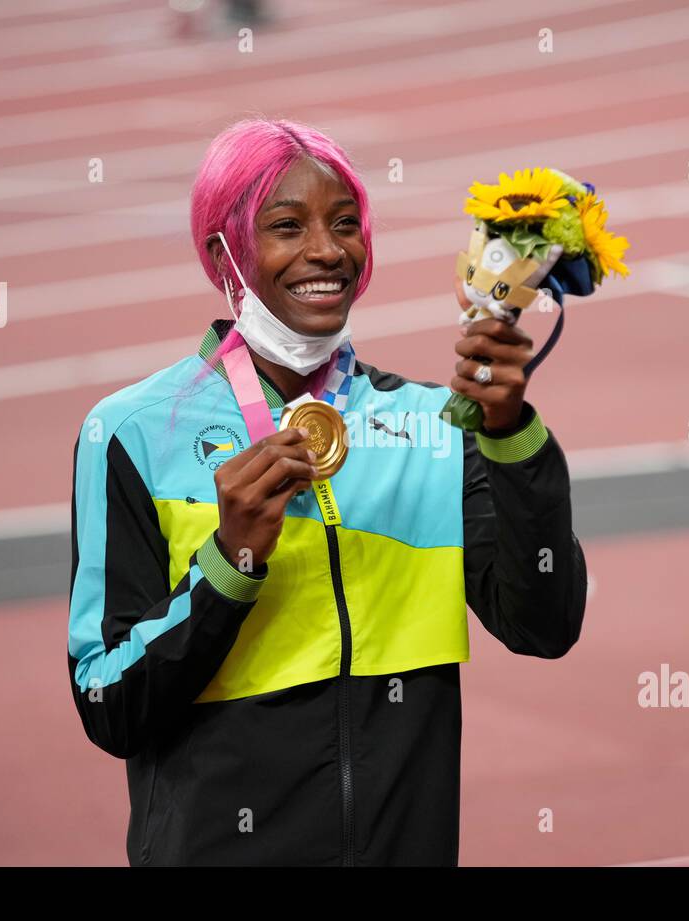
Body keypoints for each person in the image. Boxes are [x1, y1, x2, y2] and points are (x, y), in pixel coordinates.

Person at [66, 117, 588, 865]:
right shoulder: (132, 433)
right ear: (226, 253)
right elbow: (107, 705)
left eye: (347, 224)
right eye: (287, 226)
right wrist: (229, 562)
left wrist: (510, 436)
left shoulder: (432, 426)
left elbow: (546, 624)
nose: (327, 250)